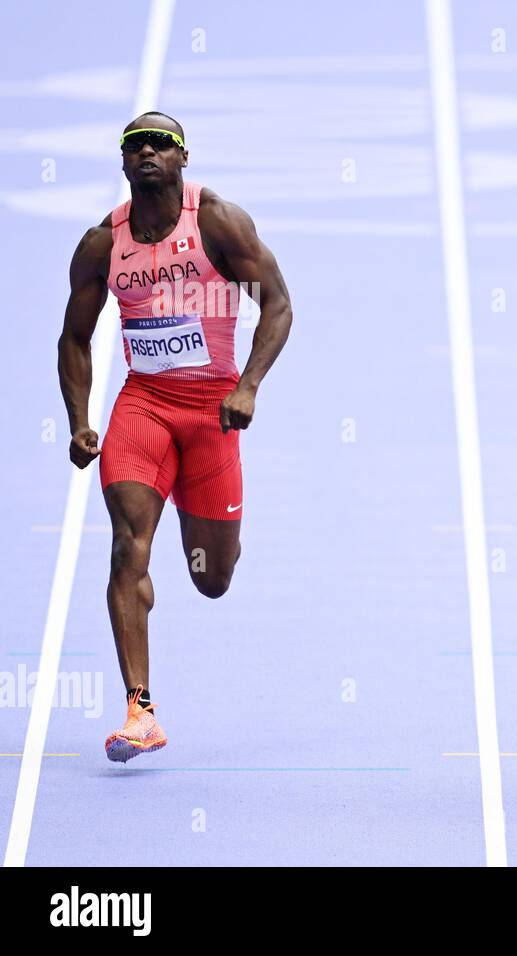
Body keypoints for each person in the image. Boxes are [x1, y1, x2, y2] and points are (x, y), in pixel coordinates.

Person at [57, 112, 293, 761]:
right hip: (144, 410)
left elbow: (277, 302)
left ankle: (165, 573)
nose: (148, 152)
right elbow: (75, 338)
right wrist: (81, 420)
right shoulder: (103, 244)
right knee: (127, 547)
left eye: (160, 143)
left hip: (211, 415)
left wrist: (247, 386)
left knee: (211, 577)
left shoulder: (215, 221)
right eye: (135, 145)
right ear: (124, 162)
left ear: (183, 156)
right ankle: (141, 711)